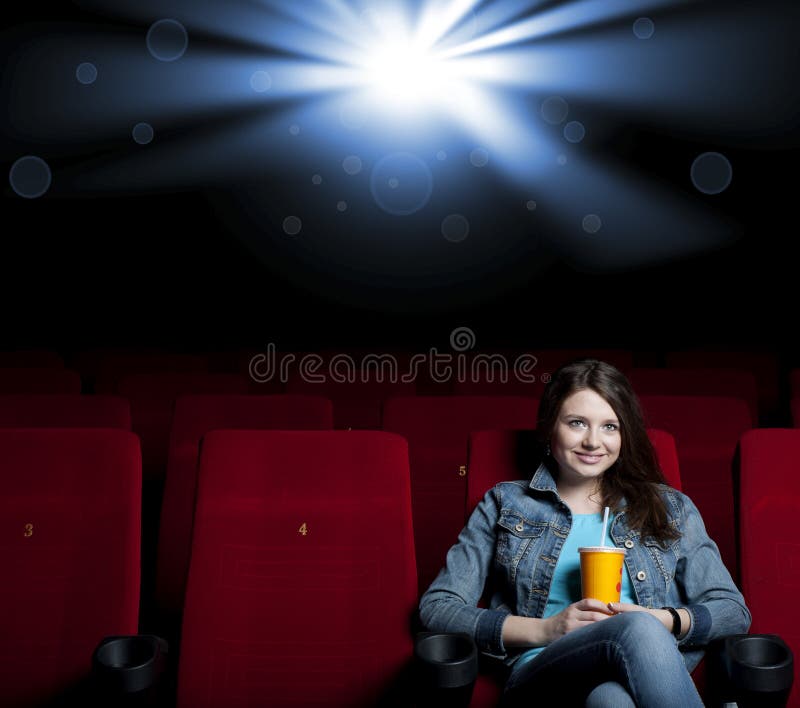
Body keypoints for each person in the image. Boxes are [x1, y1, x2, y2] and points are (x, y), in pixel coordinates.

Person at [418, 358, 750, 707]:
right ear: (550, 428)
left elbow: (732, 611)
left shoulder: (671, 507)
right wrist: (546, 630)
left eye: (610, 427)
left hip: (643, 675)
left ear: (625, 435)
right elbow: (438, 608)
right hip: (542, 676)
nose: (593, 441)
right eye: (577, 423)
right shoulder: (505, 503)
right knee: (636, 631)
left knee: (611, 700)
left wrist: (662, 620)